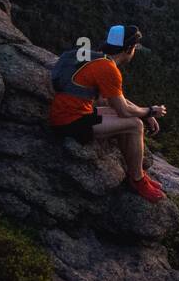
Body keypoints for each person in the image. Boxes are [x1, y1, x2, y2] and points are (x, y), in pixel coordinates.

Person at [49, 24, 167, 201]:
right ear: (129, 48)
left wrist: (143, 112)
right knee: (135, 125)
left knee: (131, 118)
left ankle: (137, 172)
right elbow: (124, 110)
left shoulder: (96, 58)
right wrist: (149, 111)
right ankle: (138, 180)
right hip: (71, 123)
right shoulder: (108, 69)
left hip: (69, 114)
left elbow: (109, 99)